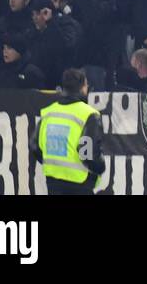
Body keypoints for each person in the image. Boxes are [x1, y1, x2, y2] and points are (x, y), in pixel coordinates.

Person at [34, 67, 105, 195]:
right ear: (83, 87)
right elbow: (87, 153)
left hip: (53, 180)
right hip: (80, 182)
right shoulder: (89, 114)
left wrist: (52, 164)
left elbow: (34, 146)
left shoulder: (48, 112)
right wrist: (100, 167)